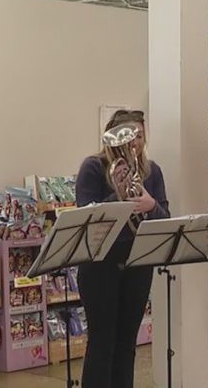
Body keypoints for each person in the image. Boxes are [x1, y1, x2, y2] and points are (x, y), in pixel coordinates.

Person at [75, 109, 170, 388]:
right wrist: (116, 194)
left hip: (137, 264)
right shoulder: (93, 167)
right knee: (102, 343)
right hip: (100, 265)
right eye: (129, 135)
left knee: (128, 342)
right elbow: (86, 217)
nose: (135, 143)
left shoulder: (152, 172)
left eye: (140, 135)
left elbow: (165, 216)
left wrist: (152, 206)